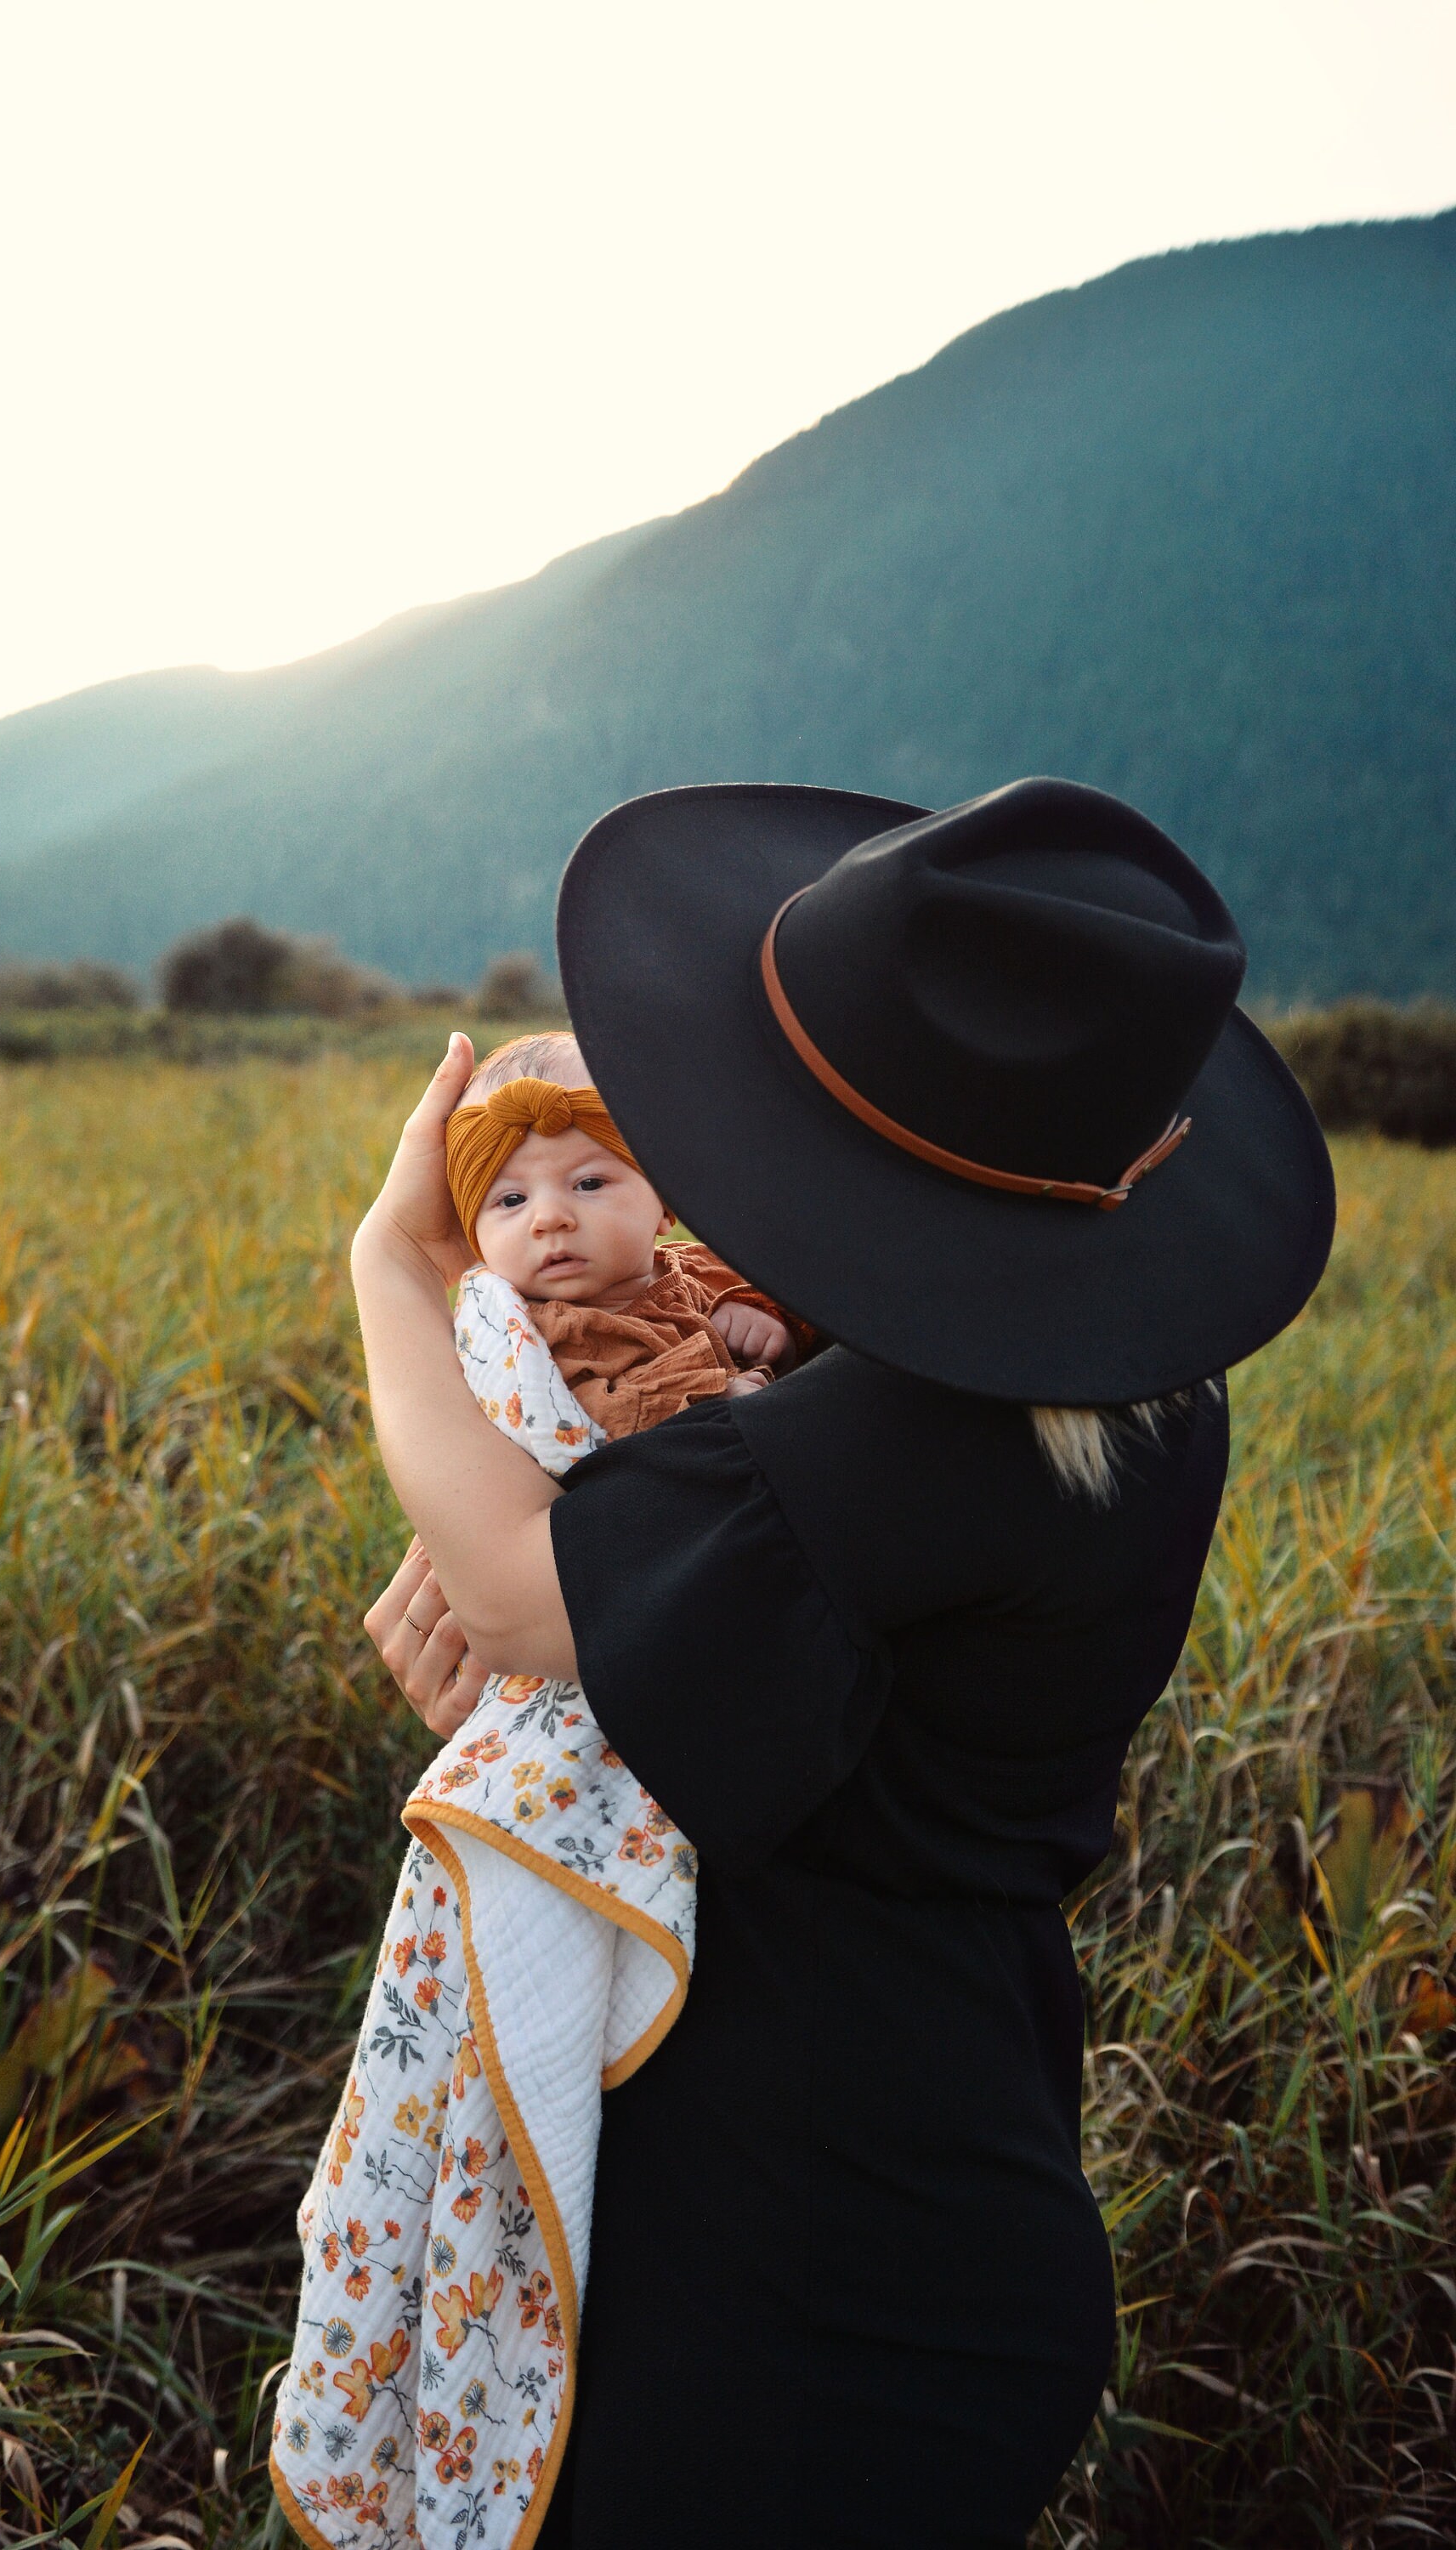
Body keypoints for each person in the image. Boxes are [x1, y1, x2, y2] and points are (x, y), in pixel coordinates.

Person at [349, 776, 1334, 2547]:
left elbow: (508, 1594)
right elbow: (690, 1613)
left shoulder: (876, 1447)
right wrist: (610, 1638)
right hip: (951, 2187)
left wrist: (398, 1269)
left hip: (781, 2292)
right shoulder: (1137, 1408)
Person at [445, 1027, 813, 1432]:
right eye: (512, 1200)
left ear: (663, 1200)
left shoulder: (706, 1267)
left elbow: (811, 1337)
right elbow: (583, 1417)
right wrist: (709, 1401)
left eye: (589, 1184)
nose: (549, 1219)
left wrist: (770, 1329)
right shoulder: (527, 1339)